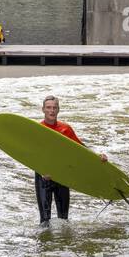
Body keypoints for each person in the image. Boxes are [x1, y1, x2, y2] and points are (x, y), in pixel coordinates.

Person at [35, 95, 107, 225]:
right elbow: (30, 154)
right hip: (44, 177)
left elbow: (81, 149)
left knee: (64, 221)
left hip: (63, 176)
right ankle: (46, 244)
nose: (51, 111)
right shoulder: (37, 129)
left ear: (58, 110)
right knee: (44, 222)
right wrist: (41, 171)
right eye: (48, 108)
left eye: (54, 108)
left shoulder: (65, 129)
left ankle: (64, 245)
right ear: (43, 110)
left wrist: (98, 157)